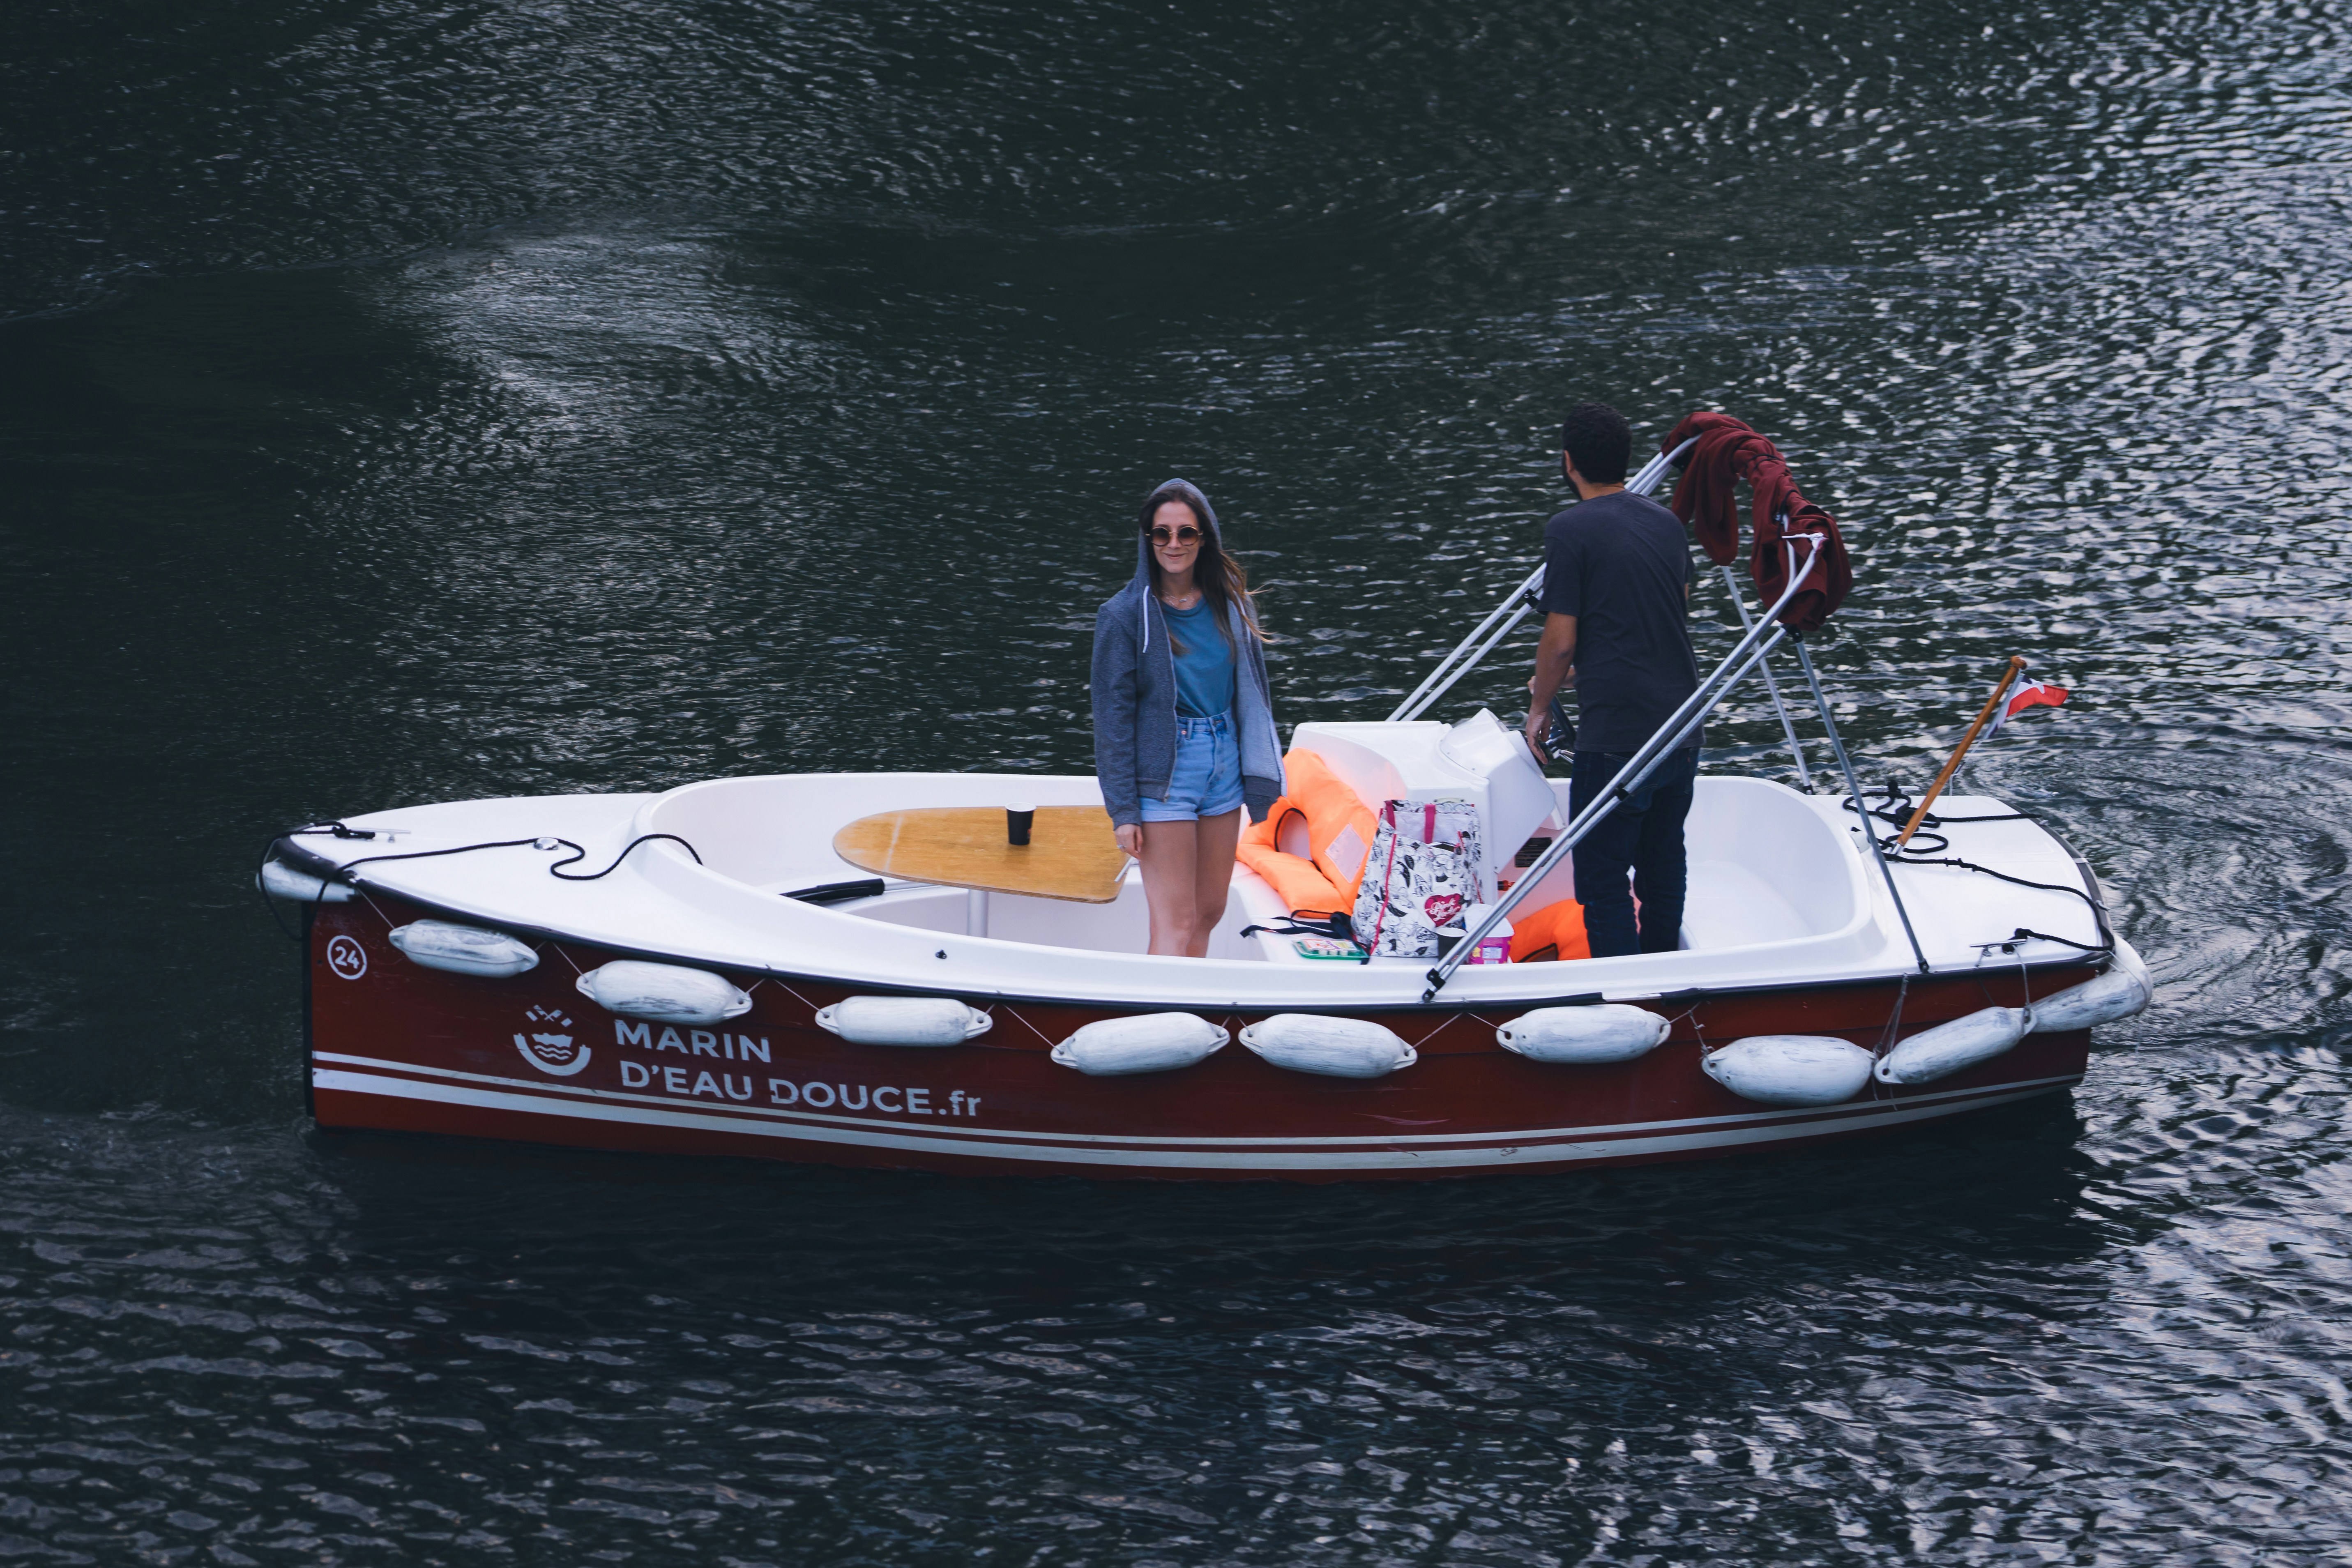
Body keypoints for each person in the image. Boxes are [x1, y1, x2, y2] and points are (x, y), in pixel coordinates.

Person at [1523, 403, 1700, 958]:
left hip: (1618, 734)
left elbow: (1560, 640)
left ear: (1568, 462)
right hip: (1682, 724)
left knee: (1601, 875)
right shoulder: (1666, 523)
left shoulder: (1569, 529)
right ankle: (1664, 972)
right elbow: (1675, 607)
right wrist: (1594, 664)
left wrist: (1540, 703)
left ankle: (1623, 997)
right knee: (1662, 858)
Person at [1092, 479, 1283, 957]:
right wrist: (1123, 812)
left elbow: (1251, 693)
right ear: (1147, 540)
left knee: (1208, 911)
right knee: (1176, 920)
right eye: (1161, 534)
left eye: (1186, 533)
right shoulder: (1123, 616)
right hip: (1166, 773)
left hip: (1224, 760)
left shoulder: (1232, 605)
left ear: (1204, 538)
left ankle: (1188, 1020)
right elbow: (1111, 720)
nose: (1173, 545)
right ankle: (1158, 1026)